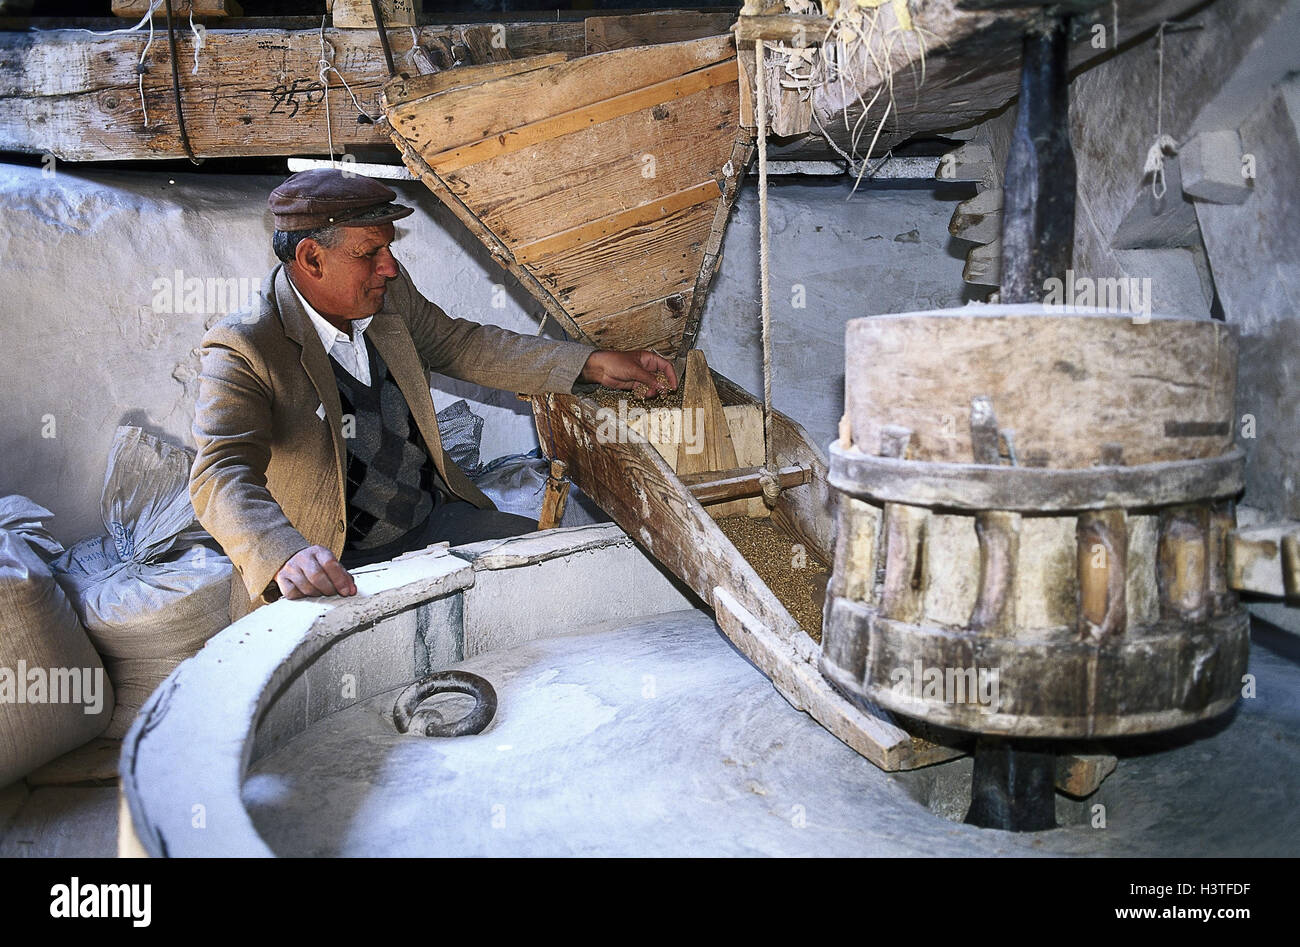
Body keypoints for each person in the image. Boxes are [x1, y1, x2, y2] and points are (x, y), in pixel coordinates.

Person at [190, 169, 676, 619]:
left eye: (389, 249)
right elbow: (221, 469)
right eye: (369, 254)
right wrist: (284, 552)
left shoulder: (388, 301)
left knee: (565, 577)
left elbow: (462, 344)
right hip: (332, 562)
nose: (390, 269)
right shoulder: (245, 347)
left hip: (428, 527)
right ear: (311, 258)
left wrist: (590, 362)